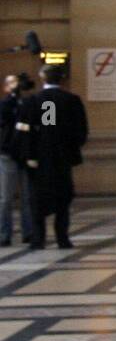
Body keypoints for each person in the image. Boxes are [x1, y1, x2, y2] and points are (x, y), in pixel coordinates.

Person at [18, 63, 88, 250]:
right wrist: (70, 150)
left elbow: (24, 132)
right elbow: (81, 131)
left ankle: (38, 239)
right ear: (62, 79)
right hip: (62, 159)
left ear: (43, 77)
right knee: (62, 198)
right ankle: (62, 238)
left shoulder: (33, 101)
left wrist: (28, 155)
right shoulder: (72, 100)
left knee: (37, 199)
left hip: (38, 159)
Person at [0, 73, 35, 245]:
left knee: (27, 197)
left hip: (26, 154)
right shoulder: (5, 104)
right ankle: (4, 233)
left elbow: (40, 123)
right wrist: (12, 98)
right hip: (8, 155)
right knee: (6, 198)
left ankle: (28, 232)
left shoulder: (33, 102)